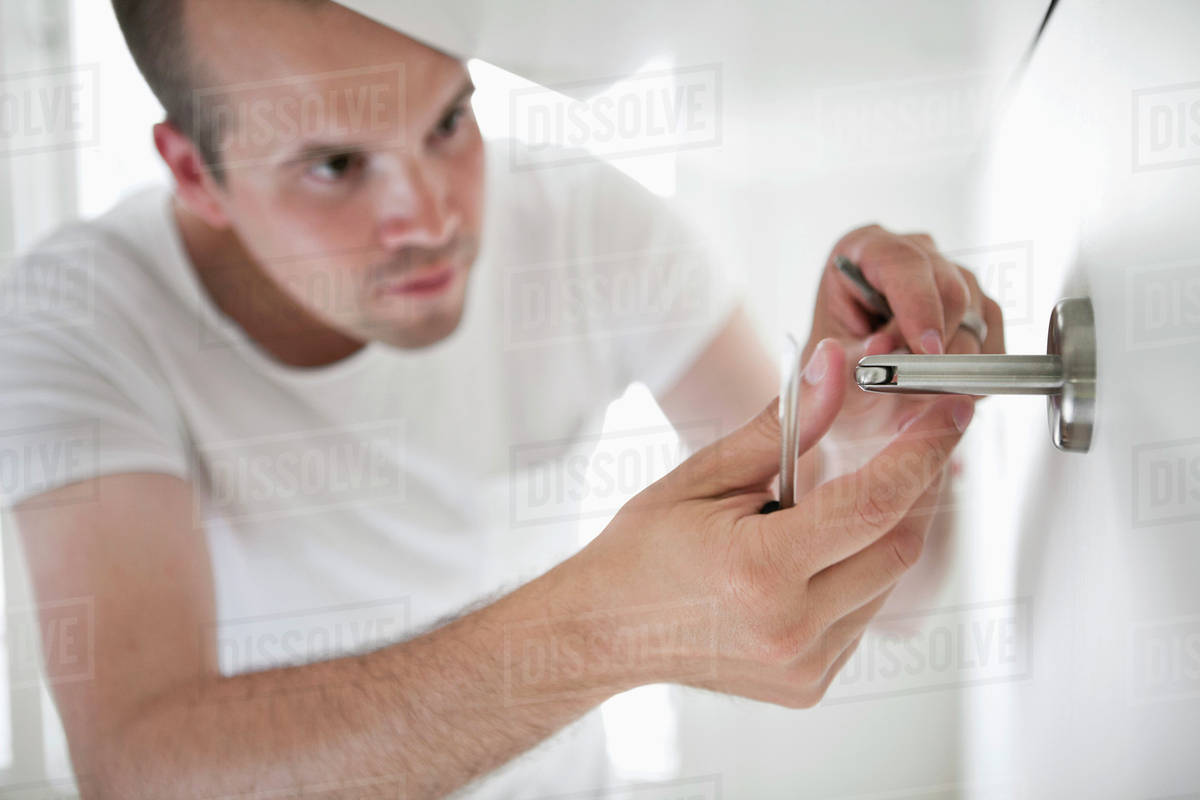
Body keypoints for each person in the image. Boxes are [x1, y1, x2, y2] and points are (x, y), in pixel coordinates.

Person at [0, 1, 1005, 798]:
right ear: (194, 171)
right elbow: (143, 771)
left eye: (448, 119)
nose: (431, 216)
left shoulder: (588, 223)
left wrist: (881, 439)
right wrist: (610, 623)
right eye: (336, 164)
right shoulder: (78, 314)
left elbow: (903, 600)